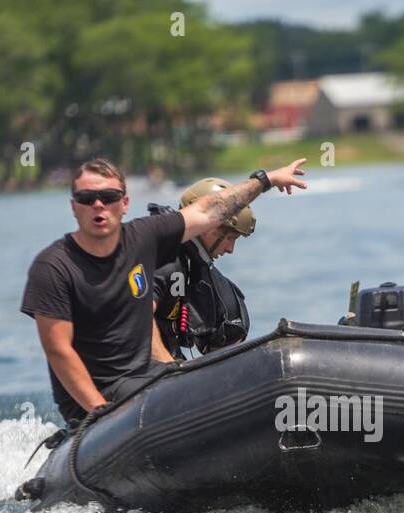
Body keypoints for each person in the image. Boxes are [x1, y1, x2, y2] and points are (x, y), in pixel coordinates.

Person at [20, 158, 306, 427]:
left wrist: (265, 179)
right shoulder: (53, 267)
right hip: (97, 400)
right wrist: (102, 415)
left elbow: (210, 210)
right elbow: (59, 350)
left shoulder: (143, 238)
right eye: (87, 198)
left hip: (146, 381)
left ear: (124, 203)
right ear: (73, 206)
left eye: (108, 197)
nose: (98, 205)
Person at [150, 178, 255, 359]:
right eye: (229, 238)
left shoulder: (187, 263)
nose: (230, 249)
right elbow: (137, 320)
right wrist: (169, 368)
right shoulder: (164, 258)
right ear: (208, 225)